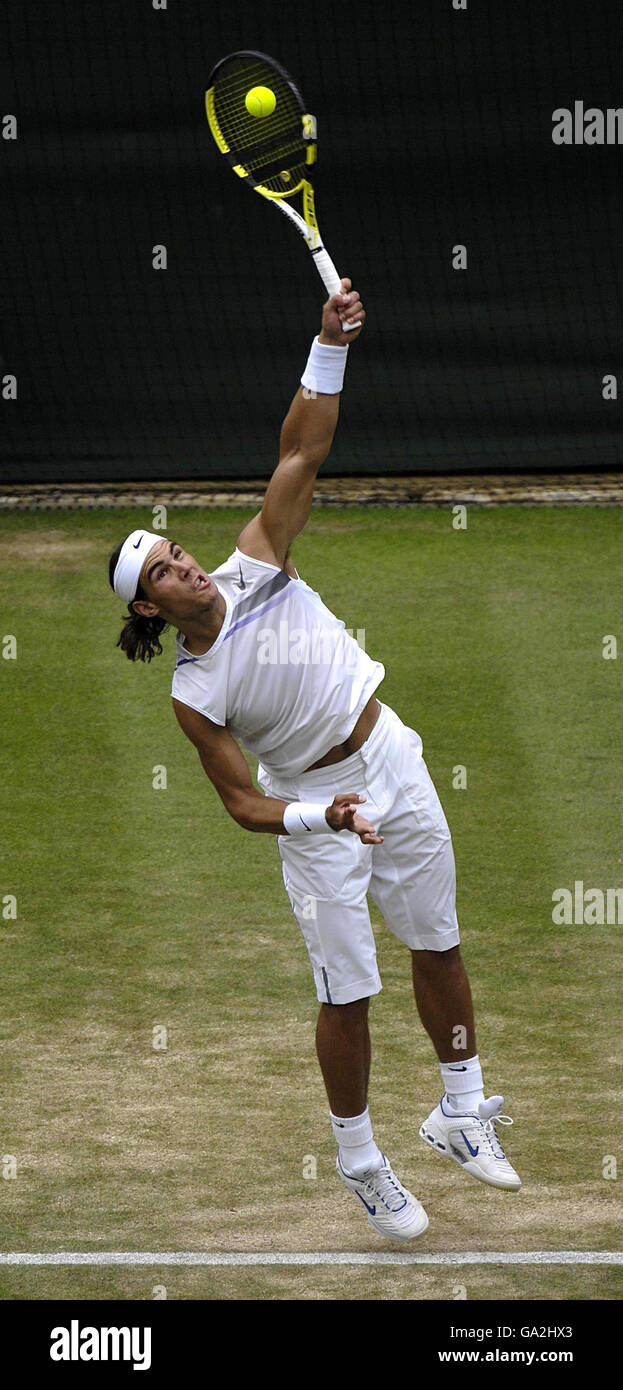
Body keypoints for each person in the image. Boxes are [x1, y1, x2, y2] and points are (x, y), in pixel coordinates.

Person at [109, 279, 520, 1242]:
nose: (187, 566)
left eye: (178, 550)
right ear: (148, 609)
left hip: (389, 752)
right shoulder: (191, 696)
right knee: (349, 992)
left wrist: (326, 341)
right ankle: (359, 1159)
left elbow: (302, 445)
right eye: (166, 570)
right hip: (314, 808)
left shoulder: (259, 557)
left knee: (438, 940)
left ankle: (460, 1109)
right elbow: (243, 806)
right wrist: (320, 817)